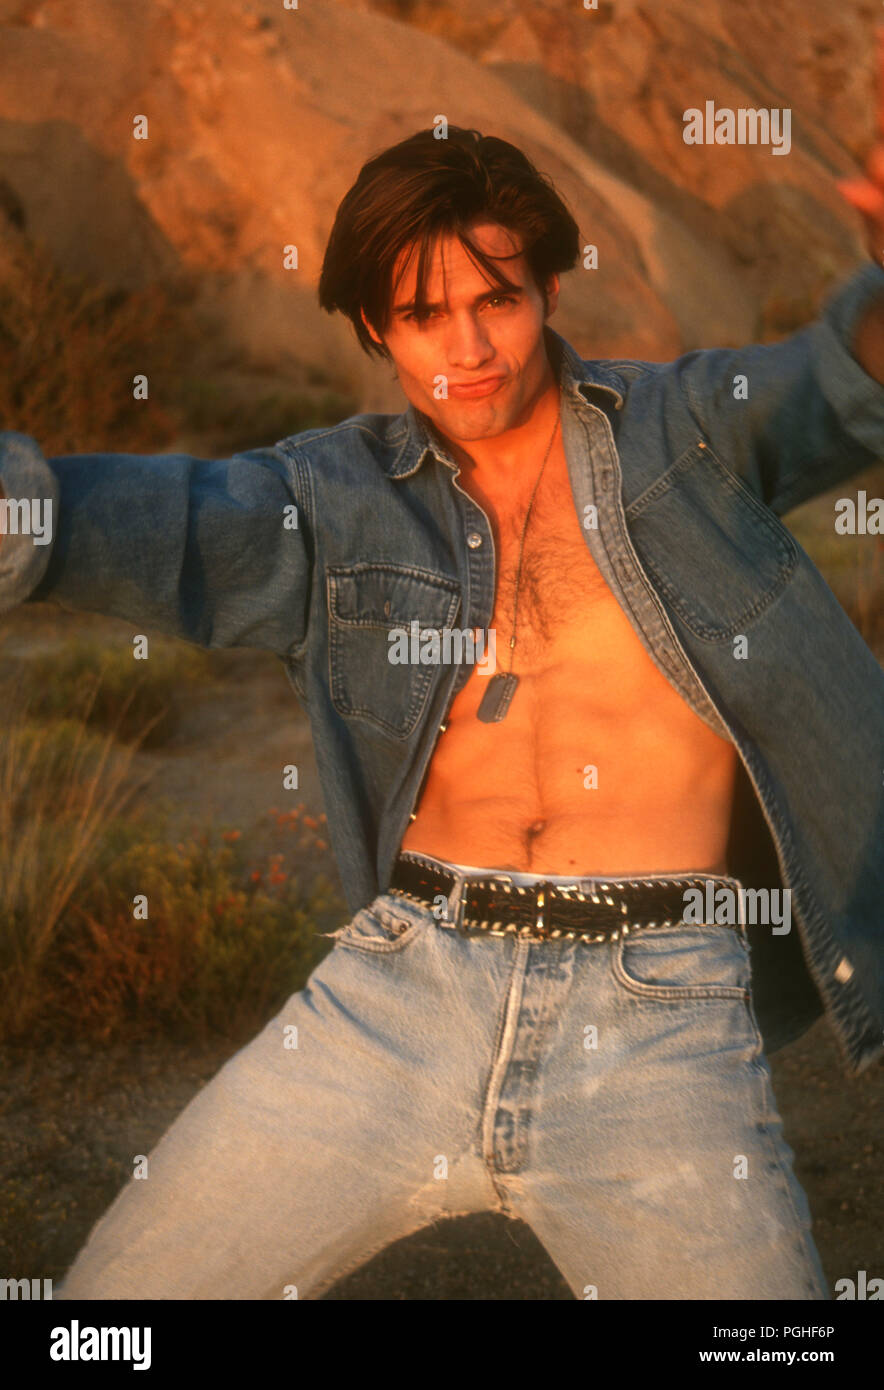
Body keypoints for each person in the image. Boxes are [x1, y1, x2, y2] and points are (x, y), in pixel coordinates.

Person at [1, 121, 883, 1301]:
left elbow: (843, 380)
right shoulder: (333, 496)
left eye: (496, 301)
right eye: (422, 317)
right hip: (399, 987)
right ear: (374, 324)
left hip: (656, 1010)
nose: (468, 350)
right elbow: (145, 522)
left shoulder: (686, 434)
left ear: (549, 288)